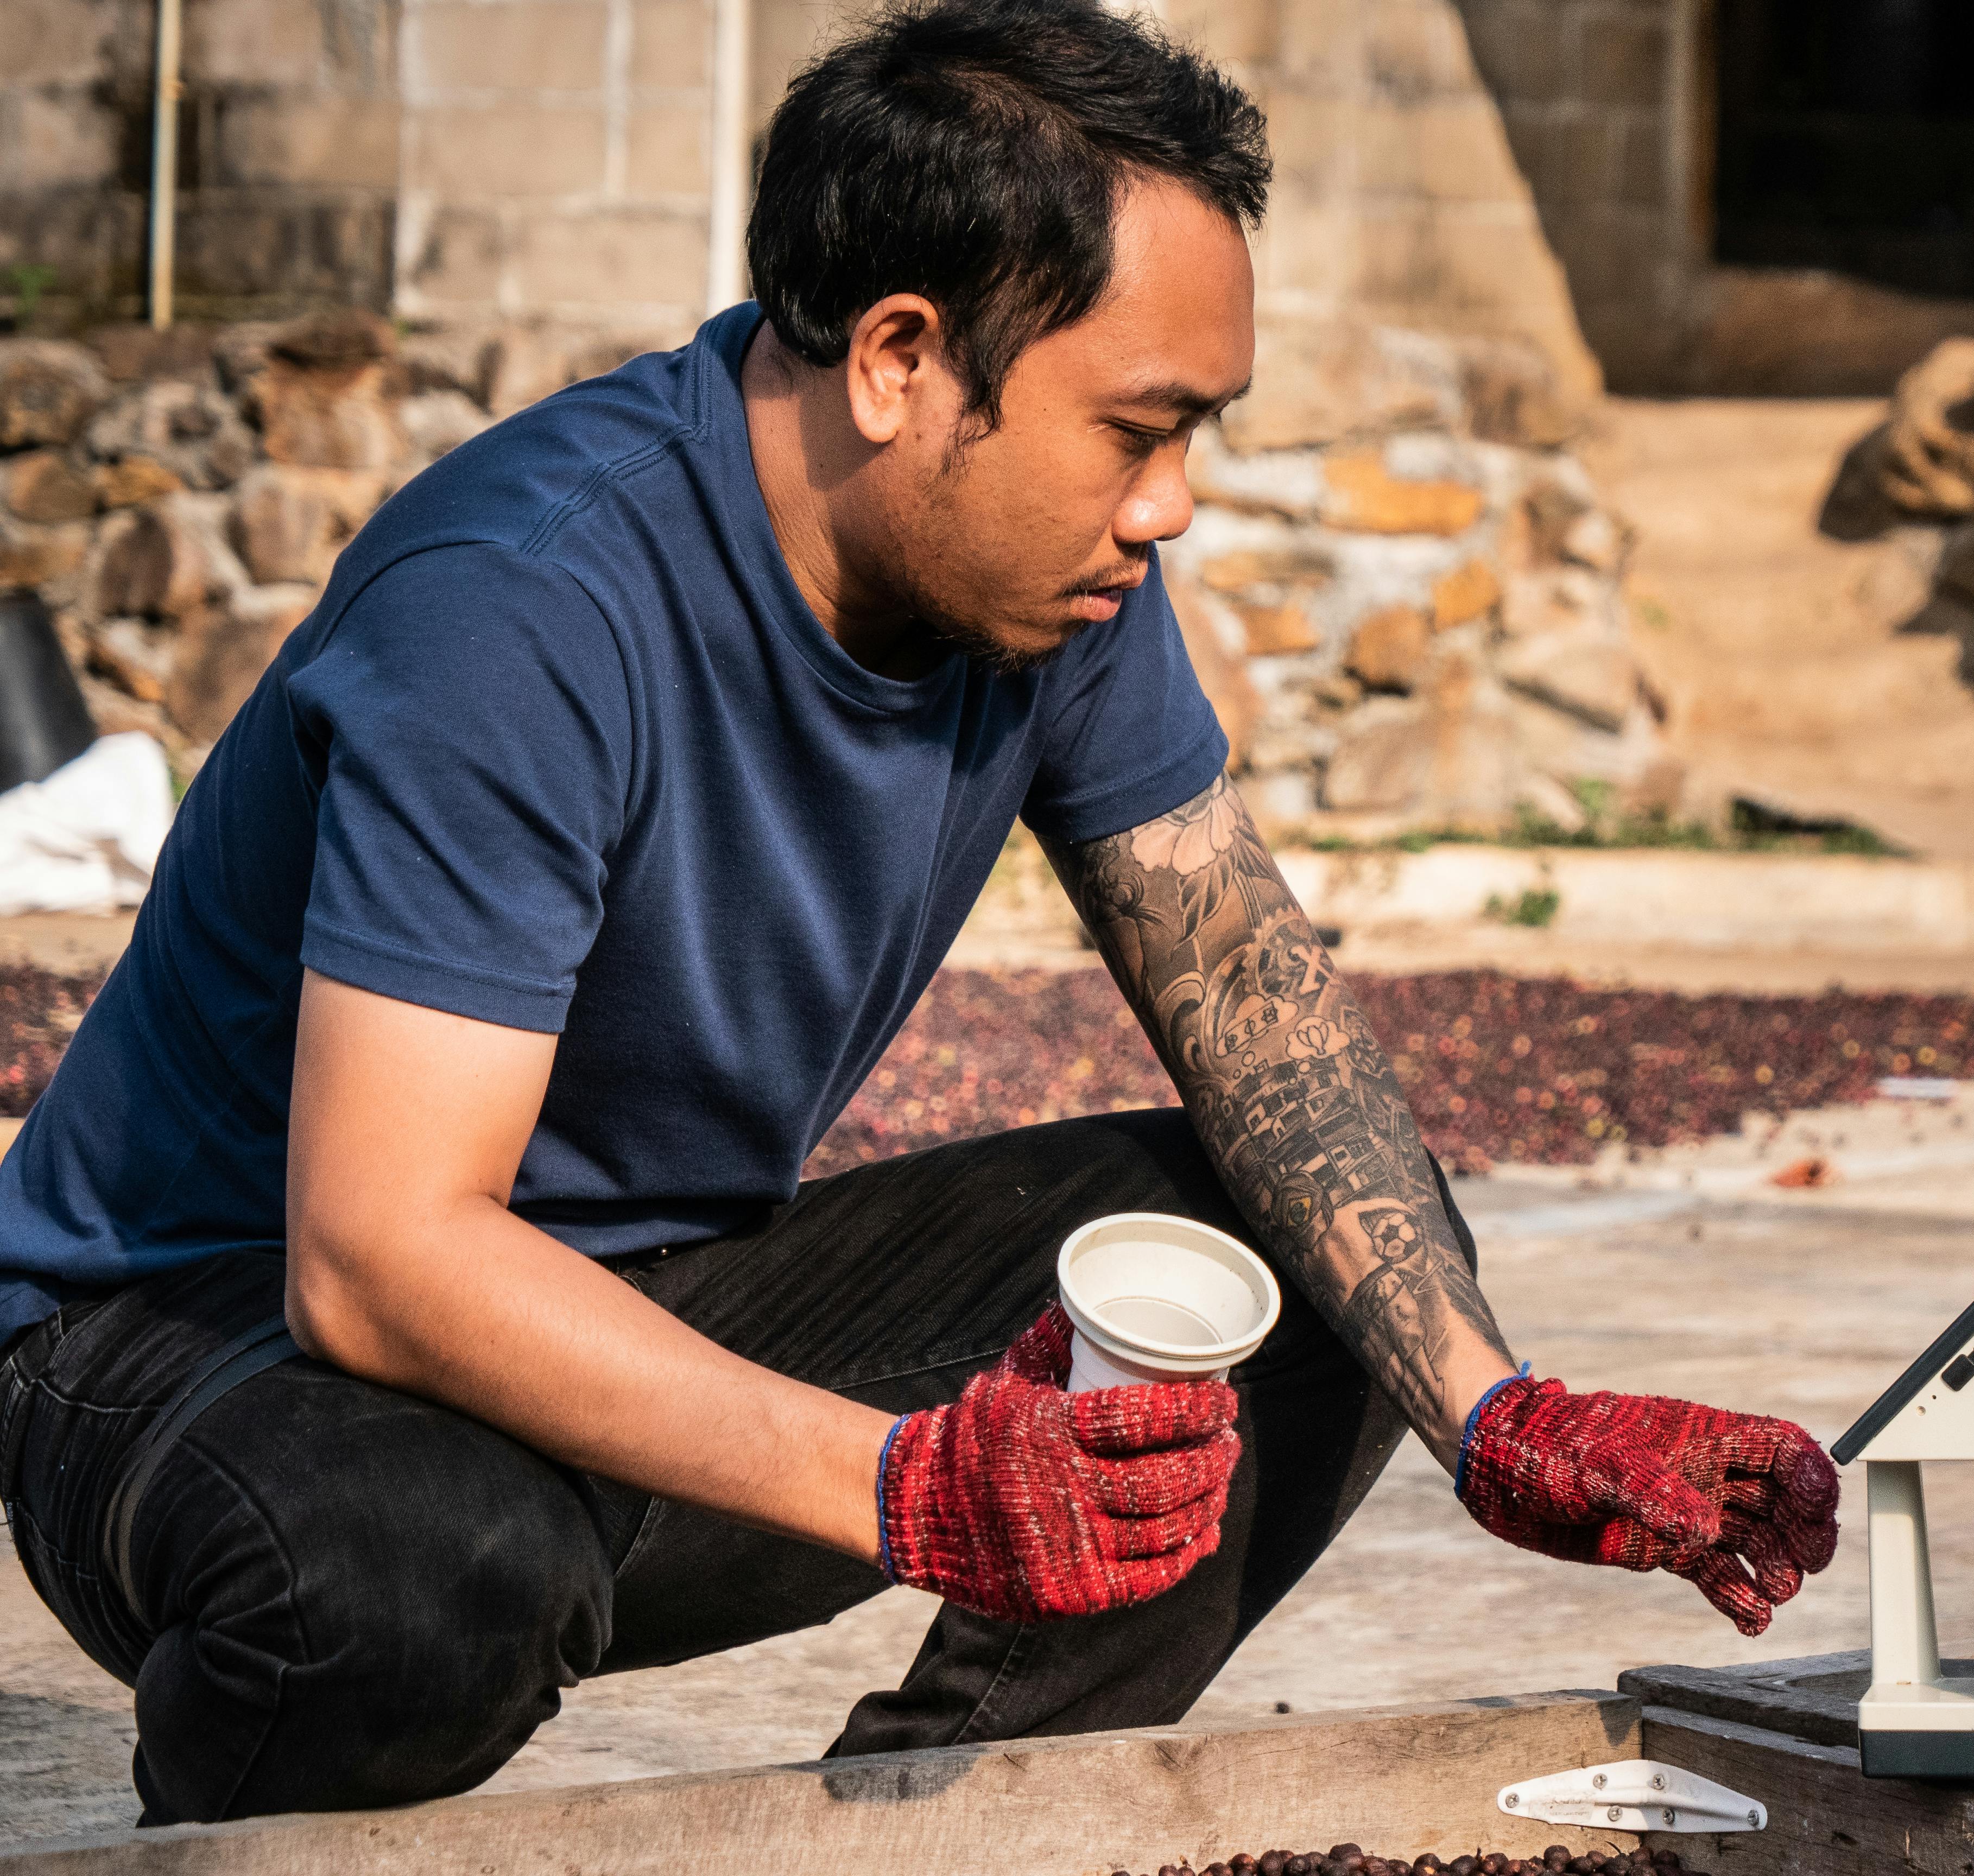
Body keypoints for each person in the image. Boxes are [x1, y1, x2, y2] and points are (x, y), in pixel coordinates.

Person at [0, 0, 1839, 1827]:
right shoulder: (524, 606)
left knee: (1298, 1266)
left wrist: (1493, 1411)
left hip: (637, 1317)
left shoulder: (1052, 587)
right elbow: (378, 1260)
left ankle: (937, 1835)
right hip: (198, 1362)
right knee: (404, 1577)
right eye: (1136, 430)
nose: (1171, 506)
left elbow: (1249, 989)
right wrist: (911, 1486)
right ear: (898, 358)